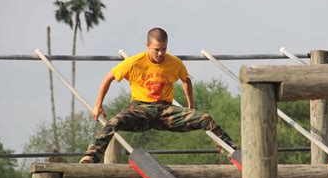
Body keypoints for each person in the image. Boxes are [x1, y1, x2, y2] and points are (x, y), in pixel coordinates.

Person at [80, 27, 237, 163]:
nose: (160, 53)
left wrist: (191, 107)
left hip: (165, 111)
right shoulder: (134, 62)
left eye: (164, 49)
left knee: (205, 118)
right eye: (156, 49)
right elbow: (108, 78)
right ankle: (91, 157)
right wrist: (97, 105)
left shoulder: (174, 63)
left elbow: (186, 80)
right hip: (141, 110)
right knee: (115, 121)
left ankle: (232, 152)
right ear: (147, 46)